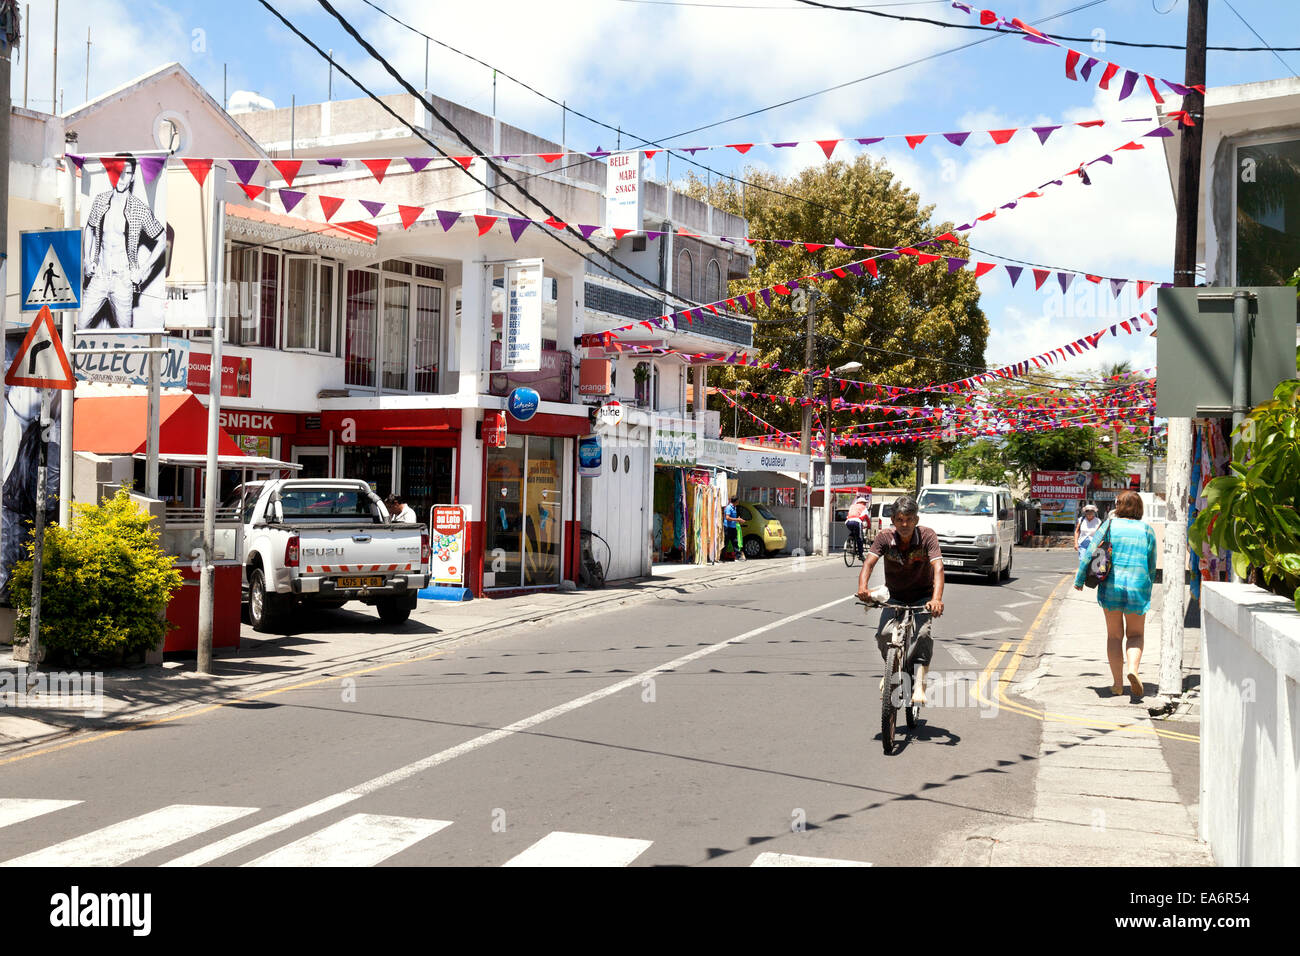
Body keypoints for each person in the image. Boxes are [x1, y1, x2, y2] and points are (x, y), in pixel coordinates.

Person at [854, 495, 945, 705]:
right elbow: (868, 564)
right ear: (893, 520)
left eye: (909, 519)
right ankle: (891, 669)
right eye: (900, 520)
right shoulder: (884, 537)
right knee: (883, 634)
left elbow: (938, 568)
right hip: (895, 595)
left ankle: (919, 682)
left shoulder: (927, 536)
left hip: (923, 595)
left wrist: (936, 599)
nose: (905, 525)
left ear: (916, 520)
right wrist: (862, 589)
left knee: (922, 635)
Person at [1074, 490, 1157, 698]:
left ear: (1119, 506)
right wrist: (1148, 585)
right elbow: (1152, 564)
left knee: (1114, 636)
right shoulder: (1147, 530)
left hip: (1111, 587)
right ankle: (1133, 670)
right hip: (1138, 588)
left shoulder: (1109, 526)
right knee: (1136, 635)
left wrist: (1079, 580)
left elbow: (1091, 552)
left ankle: (1118, 684)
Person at [81, 154, 165, 330]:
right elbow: (89, 228)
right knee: (79, 327)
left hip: (123, 280)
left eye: (126, 173)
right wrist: (87, 260)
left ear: (133, 176)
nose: (121, 177)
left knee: (124, 335)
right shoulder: (100, 201)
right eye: (117, 172)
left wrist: (142, 270)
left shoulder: (139, 208)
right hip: (100, 277)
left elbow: (162, 238)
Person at [845, 494, 869, 560]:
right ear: (861, 503)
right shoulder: (864, 508)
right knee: (859, 538)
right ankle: (860, 554)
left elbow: (848, 515)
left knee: (853, 531)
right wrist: (869, 525)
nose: (865, 504)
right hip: (856, 521)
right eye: (864, 503)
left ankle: (849, 541)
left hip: (848, 522)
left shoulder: (852, 506)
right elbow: (865, 517)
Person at [723, 495, 744, 560]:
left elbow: (733, 518)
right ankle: (722, 556)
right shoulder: (729, 508)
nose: (738, 503)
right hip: (728, 527)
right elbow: (727, 517)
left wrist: (738, 520)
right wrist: (736, 520)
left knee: (735, 542)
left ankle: (738, 556)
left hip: (733, 527)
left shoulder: (734, 507)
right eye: (737, 502)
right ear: (735, 501)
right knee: (725, 542)